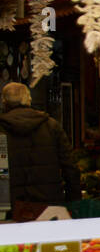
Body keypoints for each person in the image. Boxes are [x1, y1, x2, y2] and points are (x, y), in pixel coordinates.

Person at [0, 82, 79, 220]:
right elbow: (70, 167)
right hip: (50, 205)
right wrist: (73, 201)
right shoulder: (51, 125)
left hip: (10, 208)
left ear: (4, 102)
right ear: (28, 99)